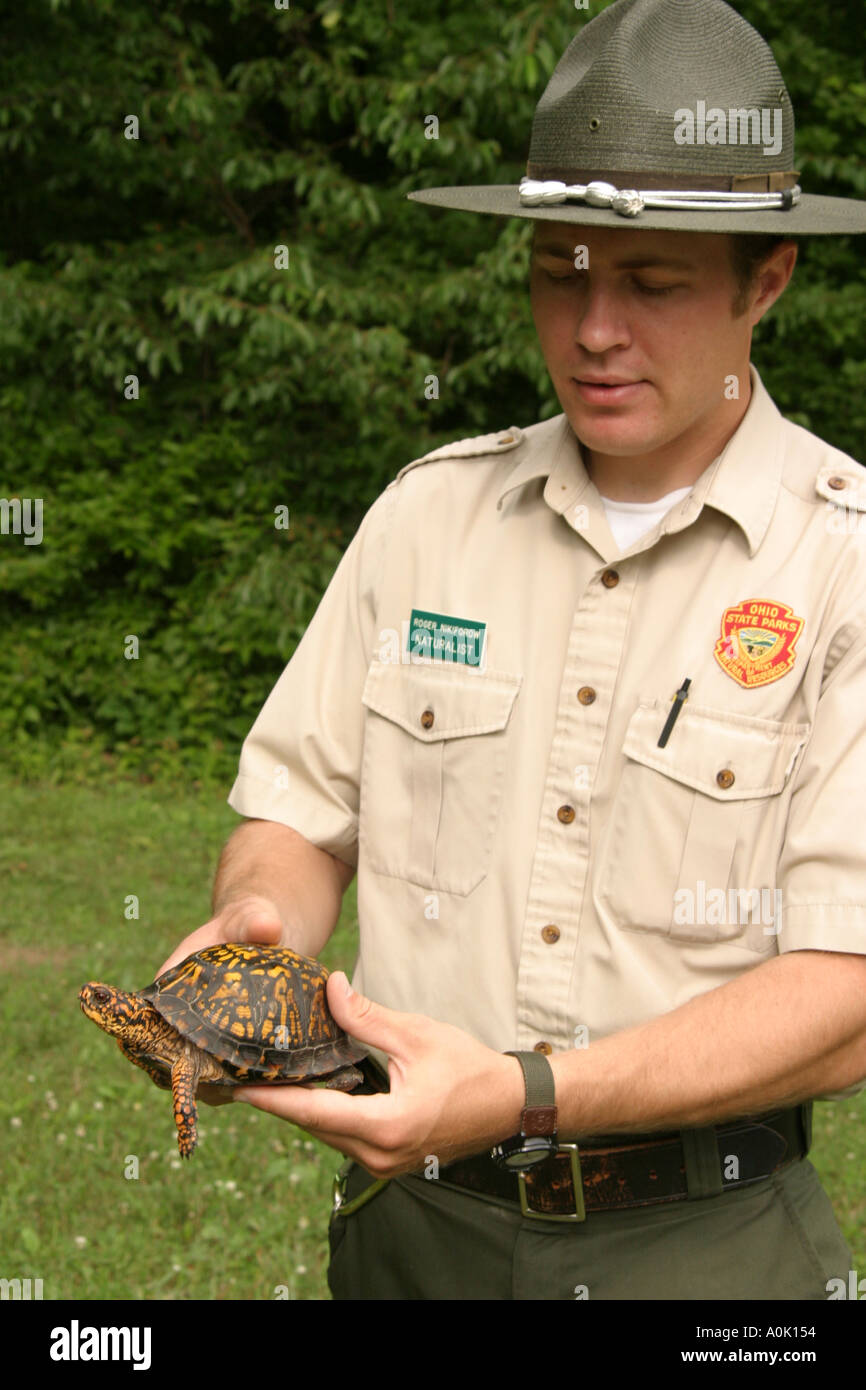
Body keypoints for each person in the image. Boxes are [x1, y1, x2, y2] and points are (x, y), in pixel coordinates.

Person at [157, 0, 866, 1299]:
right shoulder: (428, 516)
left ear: (765, 279)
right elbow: (299, 819)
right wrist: (258, 921)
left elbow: (845, 993)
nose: (593, 328)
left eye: (652, 285)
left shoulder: (843, 565)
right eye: (559, 271)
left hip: (702, 1254)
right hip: (409, 1233)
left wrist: (524, 1093)